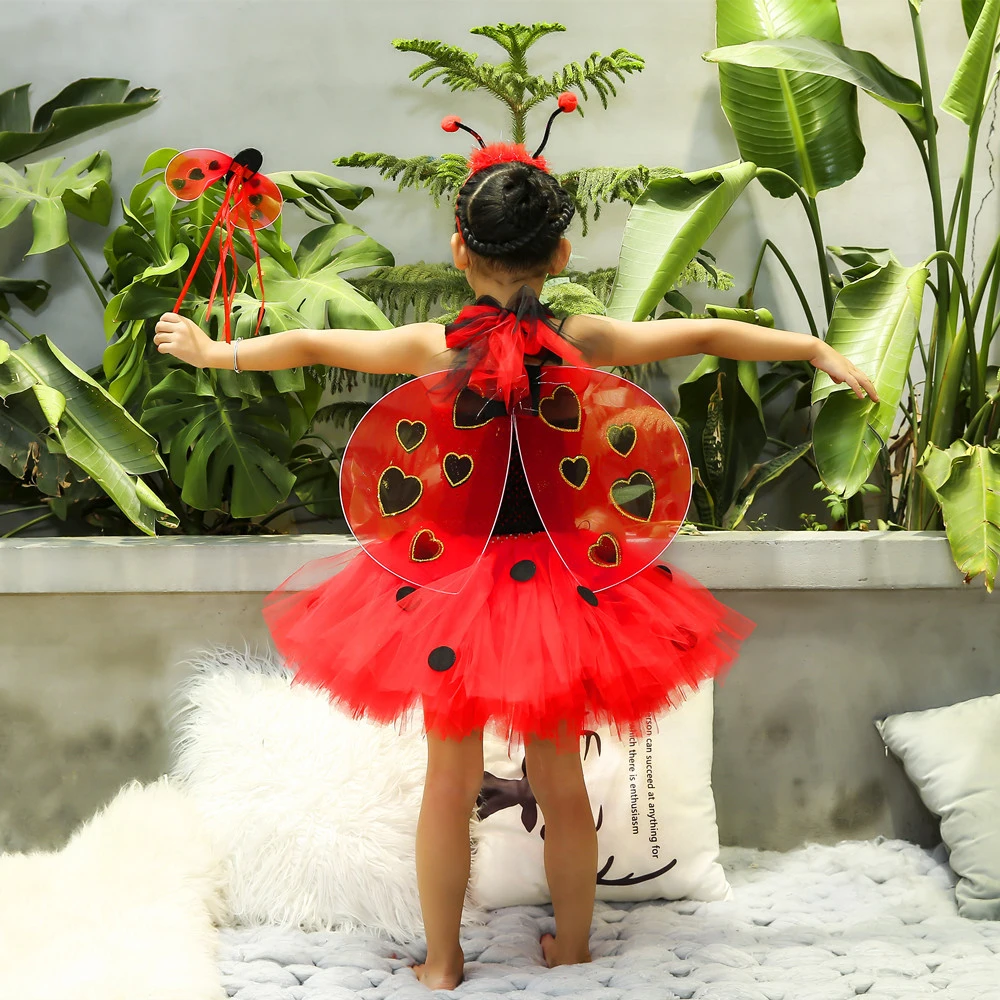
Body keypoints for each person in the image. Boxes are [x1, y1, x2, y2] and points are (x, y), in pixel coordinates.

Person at [154, 99, 877, 992]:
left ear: (460, 249)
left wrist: (212, 354)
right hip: (564, 591)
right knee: (561, 778)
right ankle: (572, 949)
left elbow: (310, 342)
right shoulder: (587, 338)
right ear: (562, 255)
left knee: (447, 784)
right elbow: (707, 334)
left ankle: (443, 963)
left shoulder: (432, 342)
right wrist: (812, 346)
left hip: (451, 590)